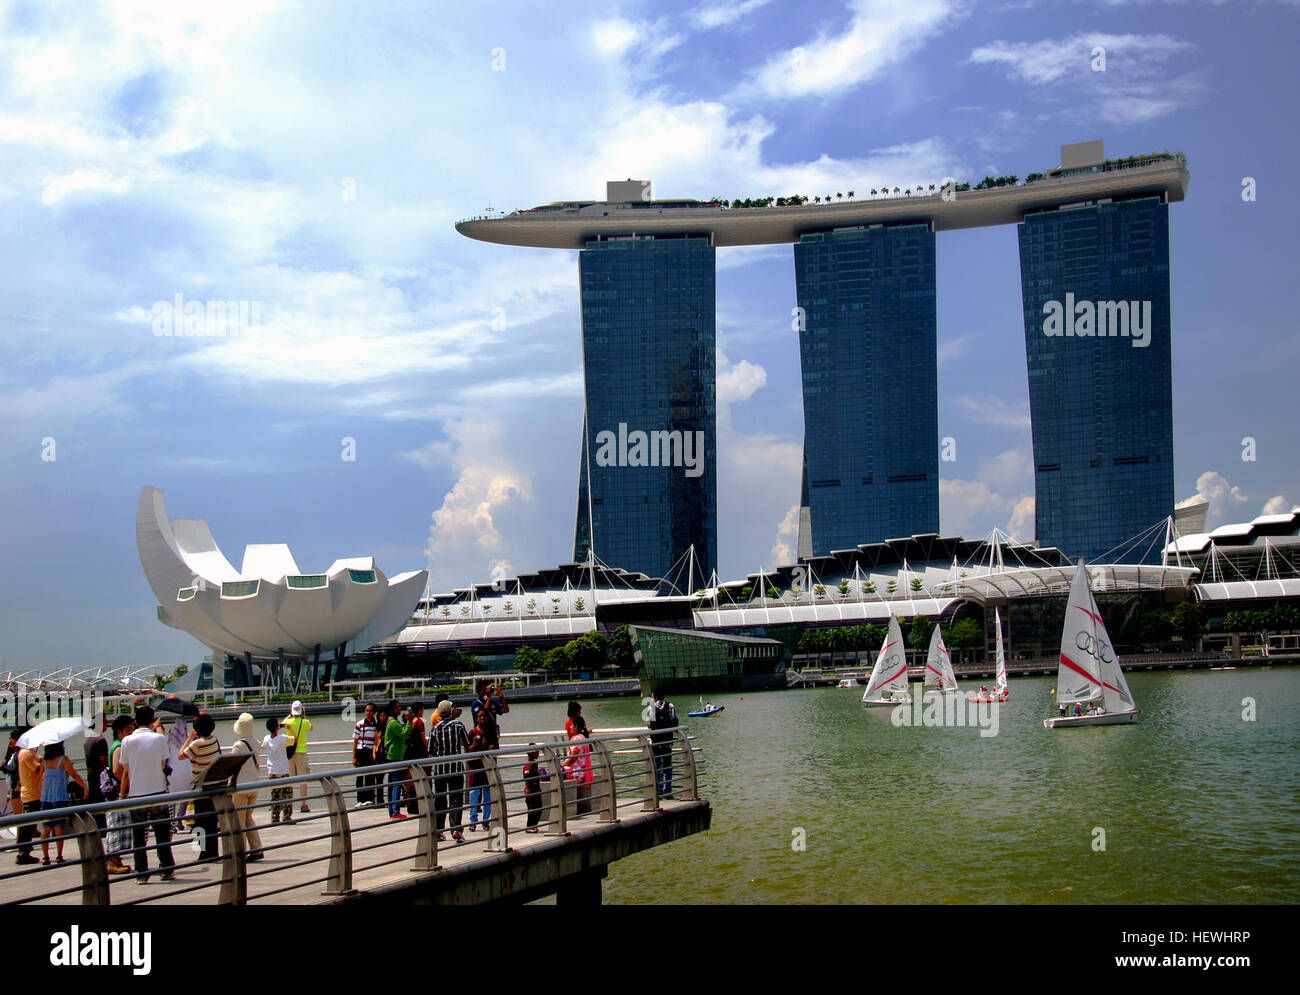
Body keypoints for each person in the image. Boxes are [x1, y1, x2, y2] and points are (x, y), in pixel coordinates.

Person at [120, 706, 176, 884]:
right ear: (152, 721)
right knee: (162, 834)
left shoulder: (127, 741)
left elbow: (125, 768)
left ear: (135, 722)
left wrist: (123, 793)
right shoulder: (160, 738)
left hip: (136, 794)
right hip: (158, 792)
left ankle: (142, 873)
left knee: (139, 837)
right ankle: (167, 869)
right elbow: (162, 764)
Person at [179, 713, 222, 862]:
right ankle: (214, 853)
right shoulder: (215, 739)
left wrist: (190, 738)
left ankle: (204, 854)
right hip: (214, 785)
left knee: (201, 822)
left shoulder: (196, 744)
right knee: (212, 821)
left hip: (200, 787)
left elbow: (181, 755)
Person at [38, 742, 87, 864]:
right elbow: (74, 775)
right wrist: (85, 787)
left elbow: (40, 776)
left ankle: (45, 857)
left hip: (46, 797)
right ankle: (59, 855)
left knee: (46, 827)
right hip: (59, 796)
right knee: (59, 826)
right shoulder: (63, 759)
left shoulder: (44, 761)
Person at [429, 700, 468, 843]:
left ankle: (439, 831)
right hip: (456, 768)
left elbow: (430, 751)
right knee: (456, 798)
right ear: (451, 711)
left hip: (439, 770)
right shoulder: (458, 726)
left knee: (439, 799)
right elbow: (467, 744)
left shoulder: (434, 729)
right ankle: (456, 829)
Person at [228, 713, 264, 862]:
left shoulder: (238, 745)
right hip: (254, 785)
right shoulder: (256, 742)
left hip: (241, 786)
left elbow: (232, 765)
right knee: (248, 817)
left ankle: (240, 852)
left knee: (240, 820)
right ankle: (257, 849)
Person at [104, 715, 135, 875]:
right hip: (118, 793)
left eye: (132, 729)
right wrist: (126, 784)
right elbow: (117, 769)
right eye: (128, 730)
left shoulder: (120, 745)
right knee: (116, 827)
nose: (131, 732)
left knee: (119, 826)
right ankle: (111, 861)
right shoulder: (118, 747)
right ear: (119, 732)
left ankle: (115, 860)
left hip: (119, 792)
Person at [14, 738, 43, 864]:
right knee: (29, 825)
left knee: (27, 824)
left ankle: (23, 851)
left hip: (29, 792)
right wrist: (43, 762)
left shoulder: (24, 752)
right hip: (32, 793)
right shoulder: (28, 754)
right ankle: (23, 852)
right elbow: (38, 769)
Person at [282, 701, 312, 813]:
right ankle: (303, 805)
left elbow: (281, 723)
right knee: (303, 780)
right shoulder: (304, 722)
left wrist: (290, 715)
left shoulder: (287, 722)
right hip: (301, 753)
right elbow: (311, 727)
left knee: (289, 780)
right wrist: (304, 715)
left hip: (289, 753)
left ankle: (288, 804)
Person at [648, 688, 678, 799]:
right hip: (667, 742)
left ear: (654, 697)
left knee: (657, 767)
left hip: (655, 742)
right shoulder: (671, 706)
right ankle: (668, 791)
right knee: (668, 766)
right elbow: (675, 721)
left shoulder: (651, 708)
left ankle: (659, 792)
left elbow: (649, 724)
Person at [465, 712, 493, 830]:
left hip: (486, 767)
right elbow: (467, 749)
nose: (482, 718)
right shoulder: (472, 733)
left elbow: (495, 747)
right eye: (480, 716)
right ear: (477, 719)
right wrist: (473, 745)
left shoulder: (490, 732)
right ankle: (473, 821)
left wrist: (491, 747)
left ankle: (486, 821)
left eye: (484, 716)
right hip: (475, 767)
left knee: (487, 795)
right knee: (474, 795)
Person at [261, 718, 292, 824]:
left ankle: (275, 818)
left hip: (272, 770)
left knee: (275, 796)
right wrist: (289, 728)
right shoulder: (282, 738)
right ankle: (287, 817)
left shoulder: (266, 739)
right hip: (282, 770)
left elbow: (263, 745)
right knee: (287, 794)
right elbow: (294, 740)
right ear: (276, 727)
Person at [382, 699, 408, 820]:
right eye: (397, 707)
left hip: (392, 756)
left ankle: (392, 811)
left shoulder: (391, 721)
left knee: (392, 784)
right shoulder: (393, 723)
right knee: (396, 784)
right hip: (395, 757)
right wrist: (409, 722)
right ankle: (395, 811)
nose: (399, 709)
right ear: (392, 709)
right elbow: (404, 734)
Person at [84, 715, 110, 831]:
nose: (107, 724)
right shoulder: (100, 740)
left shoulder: (88, 740)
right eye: (105, 722)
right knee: (102, 802)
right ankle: (103, 828)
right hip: (100, 776)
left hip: (91, 775)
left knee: (95, 803)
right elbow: (104, 761)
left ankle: (96, 827)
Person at [564, 716, 593, 815]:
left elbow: (572, 758)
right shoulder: (582, 737)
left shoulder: (577, 739)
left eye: (572, 725)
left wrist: (560, 765)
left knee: (552, 774)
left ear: (576, 726)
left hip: (575, 773)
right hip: (580, 772)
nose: (570, 727)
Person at [352, 702, 379, 807]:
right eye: (366, 710)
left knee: (370, 776)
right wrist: (354, 757)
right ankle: (360, 799)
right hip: (361, 751)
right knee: (359, 777)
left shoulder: (376, 725)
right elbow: (355, 741)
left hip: (370, 752)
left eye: (370, 711)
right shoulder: (359, 724)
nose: (368, 713)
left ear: (374, 712)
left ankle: (369, 799)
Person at [470, 680, 509, 750]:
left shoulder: (492, 702)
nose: (486, 691)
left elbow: (505, 710)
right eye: (485, 689)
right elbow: (485, 712)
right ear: (479, 691)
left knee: (493, 757)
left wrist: (501, 697)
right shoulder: (476, 704)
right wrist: (489, 697)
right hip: (481, 734)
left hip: (492, 734)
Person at [405, 703, 428, 816]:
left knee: (411, 780)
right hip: (420, 752)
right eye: (422, 710)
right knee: (420, 778)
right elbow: (423, 739)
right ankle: (419, 805)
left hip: (410, 753)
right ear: (419, 710)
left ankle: (411, 806)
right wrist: (428, 751)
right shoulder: (419, 722)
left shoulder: (410, 722)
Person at [523, 745, 546, 833]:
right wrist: (527, 789)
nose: (538, 754)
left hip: (536, 789)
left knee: (539, 807)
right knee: (532, 809)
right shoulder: (529, 765)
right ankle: (530, 826)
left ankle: (534, 825)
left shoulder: (534, 764)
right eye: (536, 752)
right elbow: (526, 777)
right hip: (531, 790)